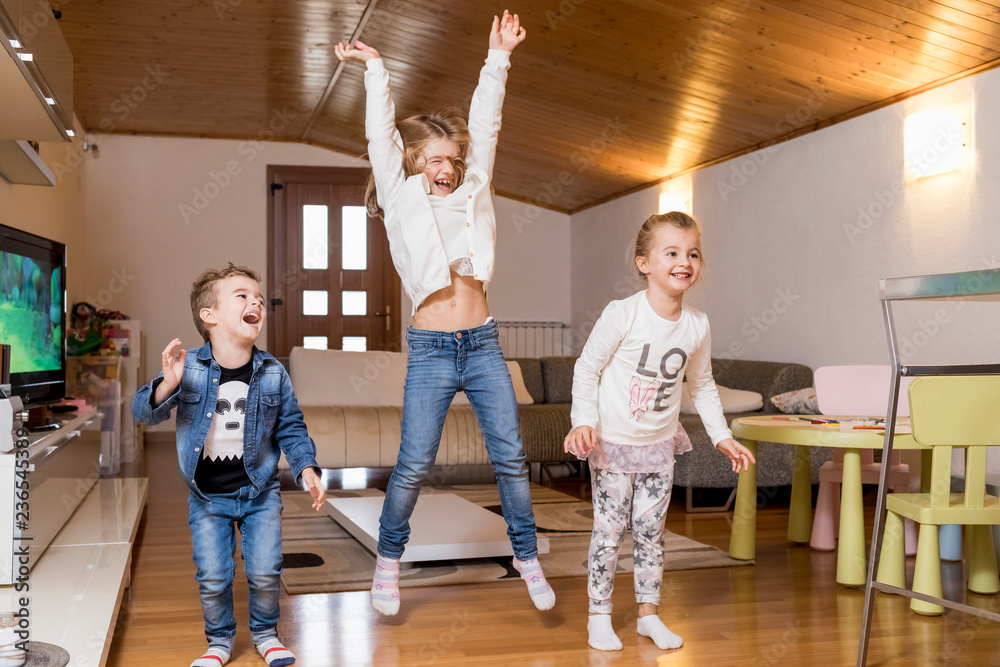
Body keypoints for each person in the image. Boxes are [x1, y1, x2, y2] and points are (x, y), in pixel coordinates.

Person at [335, 10, 554, 616]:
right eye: (430, 158)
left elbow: (488, 119)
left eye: (449, 158)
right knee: (413, 462)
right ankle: (388, 562)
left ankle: (527, 555)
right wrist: (376, 69)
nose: (443, 166)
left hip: (482, 343)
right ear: (412, 162)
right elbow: (381, 134)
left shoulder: (474, 187)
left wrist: (498, 55)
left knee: (509, 456)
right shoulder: (401, 193)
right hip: (431, 348)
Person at [564, 212, 756, 652]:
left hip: (659, 446)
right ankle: (599, 614)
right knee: (609, 532)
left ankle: (648, 615)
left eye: (692, 253)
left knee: (651, 532)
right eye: (671, 252)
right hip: (612, 444)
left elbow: (702, 384)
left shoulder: (698, 324)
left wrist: (722, 435)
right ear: (644, 263)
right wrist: (583, 421)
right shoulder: (622, 314)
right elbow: (587, 368)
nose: (683, 261)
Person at [132, 264, 326, 667]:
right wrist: (167, 385)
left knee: (266, 570)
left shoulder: (273, 372)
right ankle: (219, 641)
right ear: (210, 315)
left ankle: (265, 634)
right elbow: (143, 415)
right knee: (214, 575)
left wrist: (306, 467)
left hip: (260, 491)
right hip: (207, 496)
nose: (255, 301)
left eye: (258, 298)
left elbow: (290, 425)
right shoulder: (189, 369)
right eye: (242, 295)